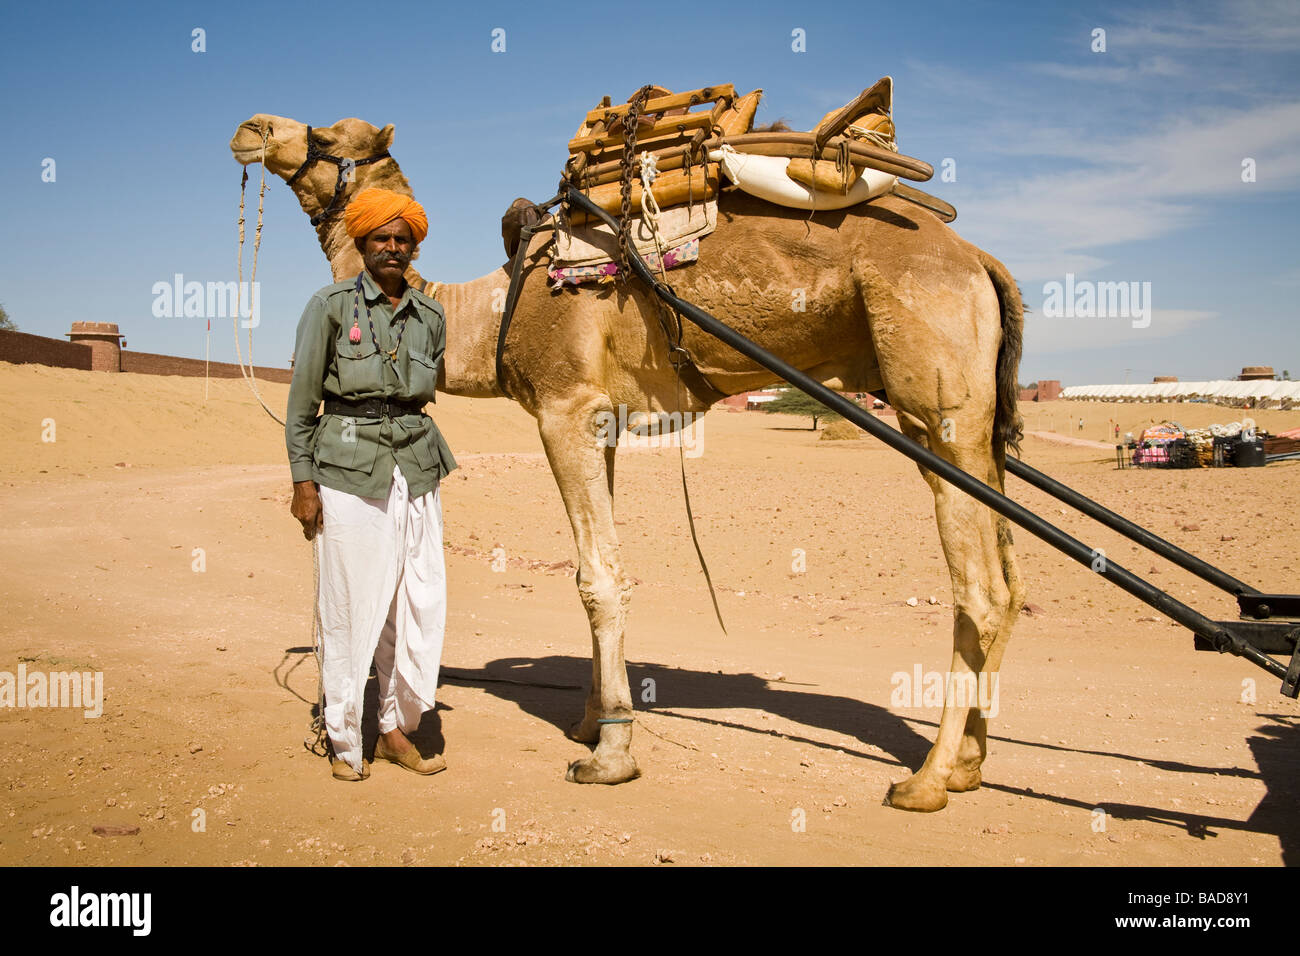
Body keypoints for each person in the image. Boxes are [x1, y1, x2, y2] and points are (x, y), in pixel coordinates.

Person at [285, 187, 458, 782]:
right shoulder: (329, 306)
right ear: (360, 244)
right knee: (350, 605)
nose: (392, 245)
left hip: (416, 465)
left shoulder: (431, 315)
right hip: (346, 468)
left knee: (412, 601)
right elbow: (303, 402)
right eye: (380, 237)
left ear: (413, 247)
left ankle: (389, 728)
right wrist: (302, 482)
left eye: (401, 237)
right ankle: (341, 736)